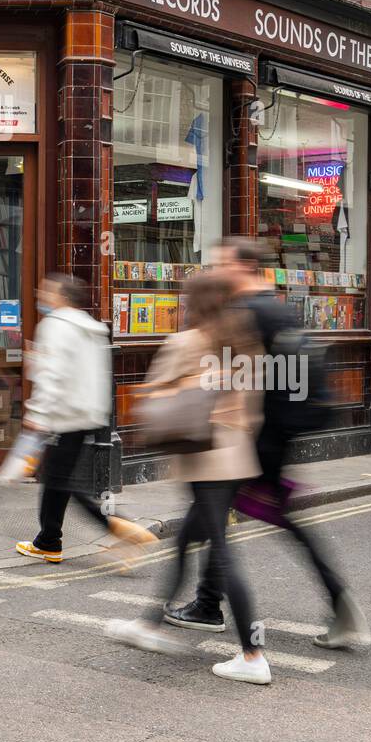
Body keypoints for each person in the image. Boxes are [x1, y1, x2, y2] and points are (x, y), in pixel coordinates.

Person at [164, 238, 368, 650]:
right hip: (273, 438)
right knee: (217, 523)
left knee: (215, 525)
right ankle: (208, 604)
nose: (217, 272)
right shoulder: (279, 307)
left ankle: (211, 613)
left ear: (241, 267)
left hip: (255, 443)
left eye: (222, 264)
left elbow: (238, 380)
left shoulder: (248, 312)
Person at [106, 271, 271, 685]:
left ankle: (253, 655)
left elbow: (150, 394)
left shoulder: (187, 341)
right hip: (236, 457)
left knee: (222, 552)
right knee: (185, 542)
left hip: (207, 461)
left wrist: (177, 391)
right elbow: (254, 403)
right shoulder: (244, 341)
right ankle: (149, 625)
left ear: (193, 303)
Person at [14, 274, 156, 563]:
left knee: (59, 480)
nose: (41, 295)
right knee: (57, 479)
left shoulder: (55, 326)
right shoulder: (91, 328)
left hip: (62, 415)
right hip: (86, 414)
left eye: (46, 291)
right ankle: (49, 541)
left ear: (61, 298)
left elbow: (51, 376)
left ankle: (119, 527)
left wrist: (37, 414)